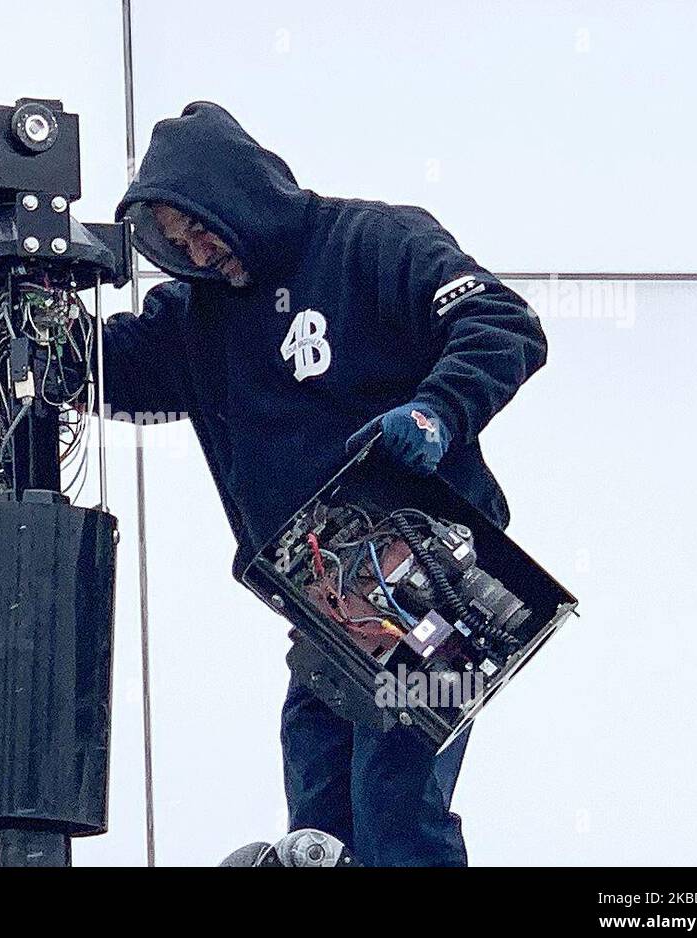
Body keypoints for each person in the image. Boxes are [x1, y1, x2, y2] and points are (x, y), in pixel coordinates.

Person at [97, 101, 547, 866]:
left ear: (238, 195)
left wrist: (437, 413)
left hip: (442, 579)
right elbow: (115, 370)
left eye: (204, 229)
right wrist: (24, 319)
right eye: (179, 246)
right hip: (328, 602)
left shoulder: (370, 242)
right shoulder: (197, 318)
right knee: (319, 818)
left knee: (393, 802)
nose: (201, 254)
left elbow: (503, 323)